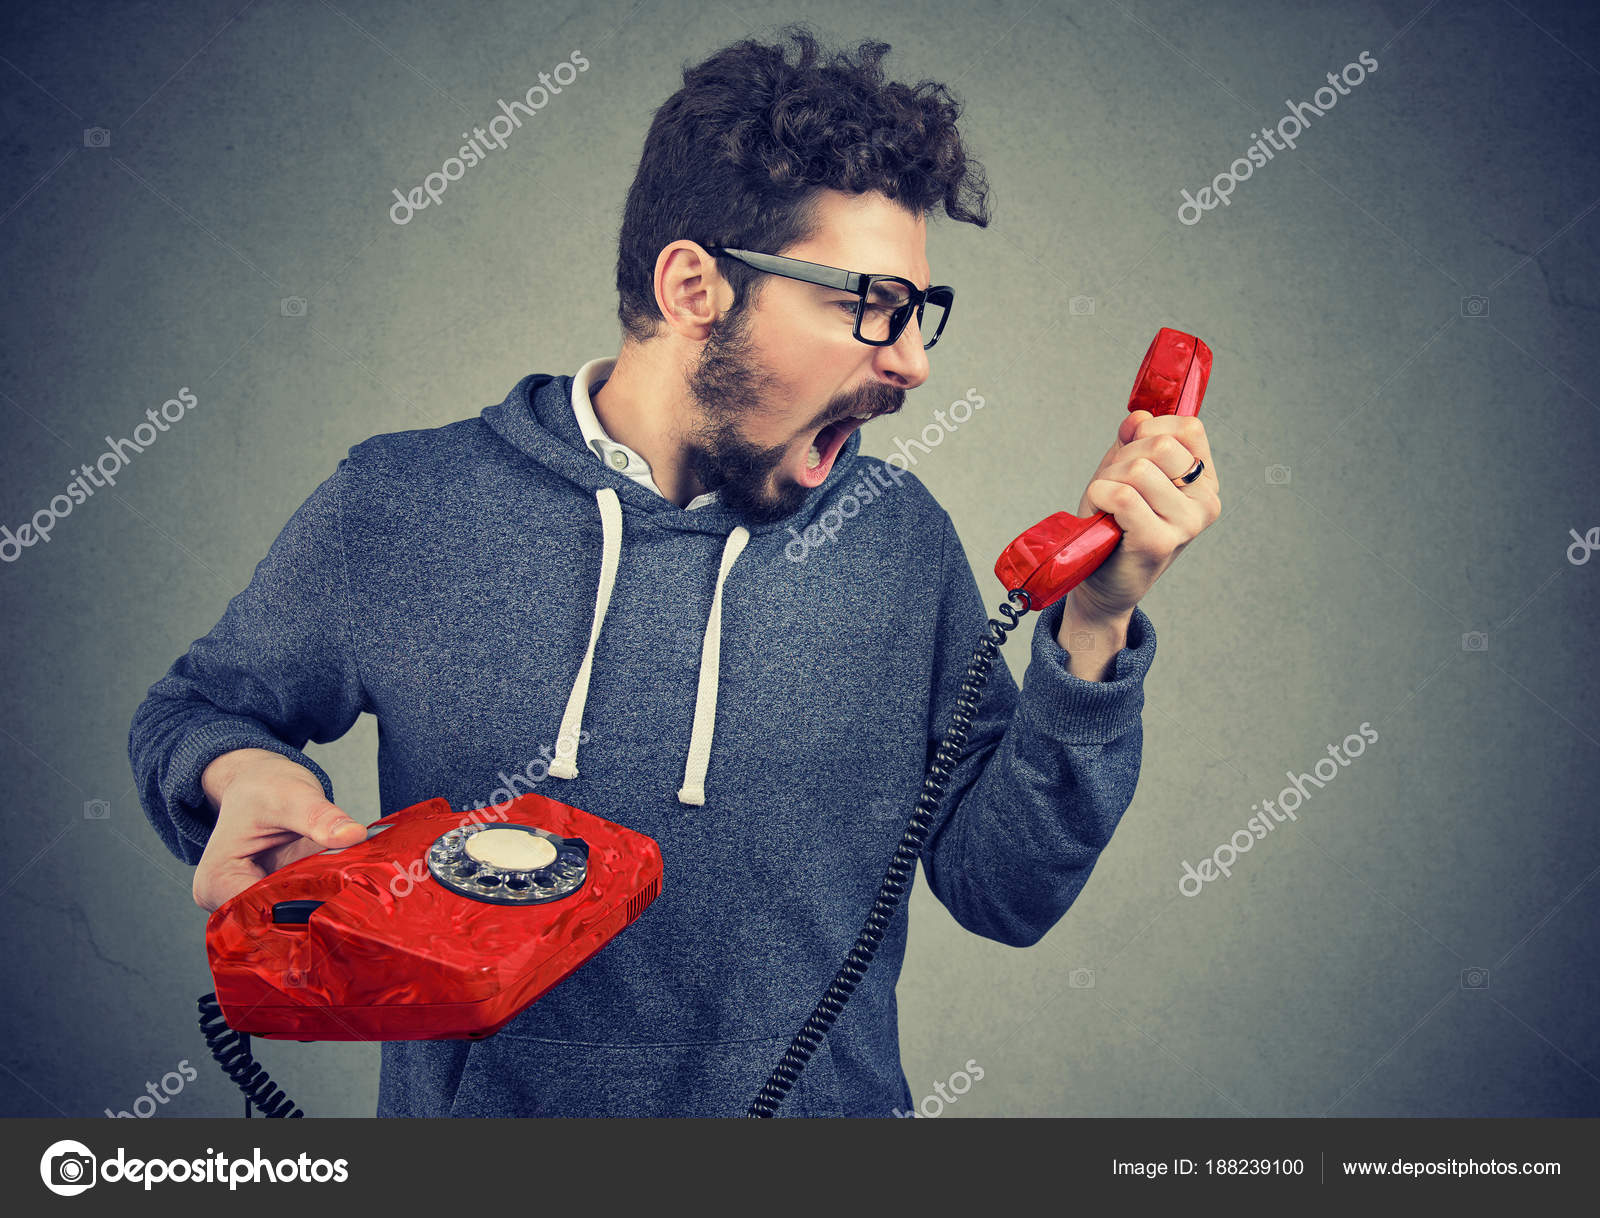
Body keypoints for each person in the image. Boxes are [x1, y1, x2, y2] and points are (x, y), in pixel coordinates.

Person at [129, 25, 1220, 1117]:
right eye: (871, 305)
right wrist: (239, 773)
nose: (912, 361)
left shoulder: (897, 539)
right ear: (695, 286)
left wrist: (1093, 625)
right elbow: (199, 709)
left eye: (917, 313)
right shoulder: (404, 503)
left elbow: (1006, 890)